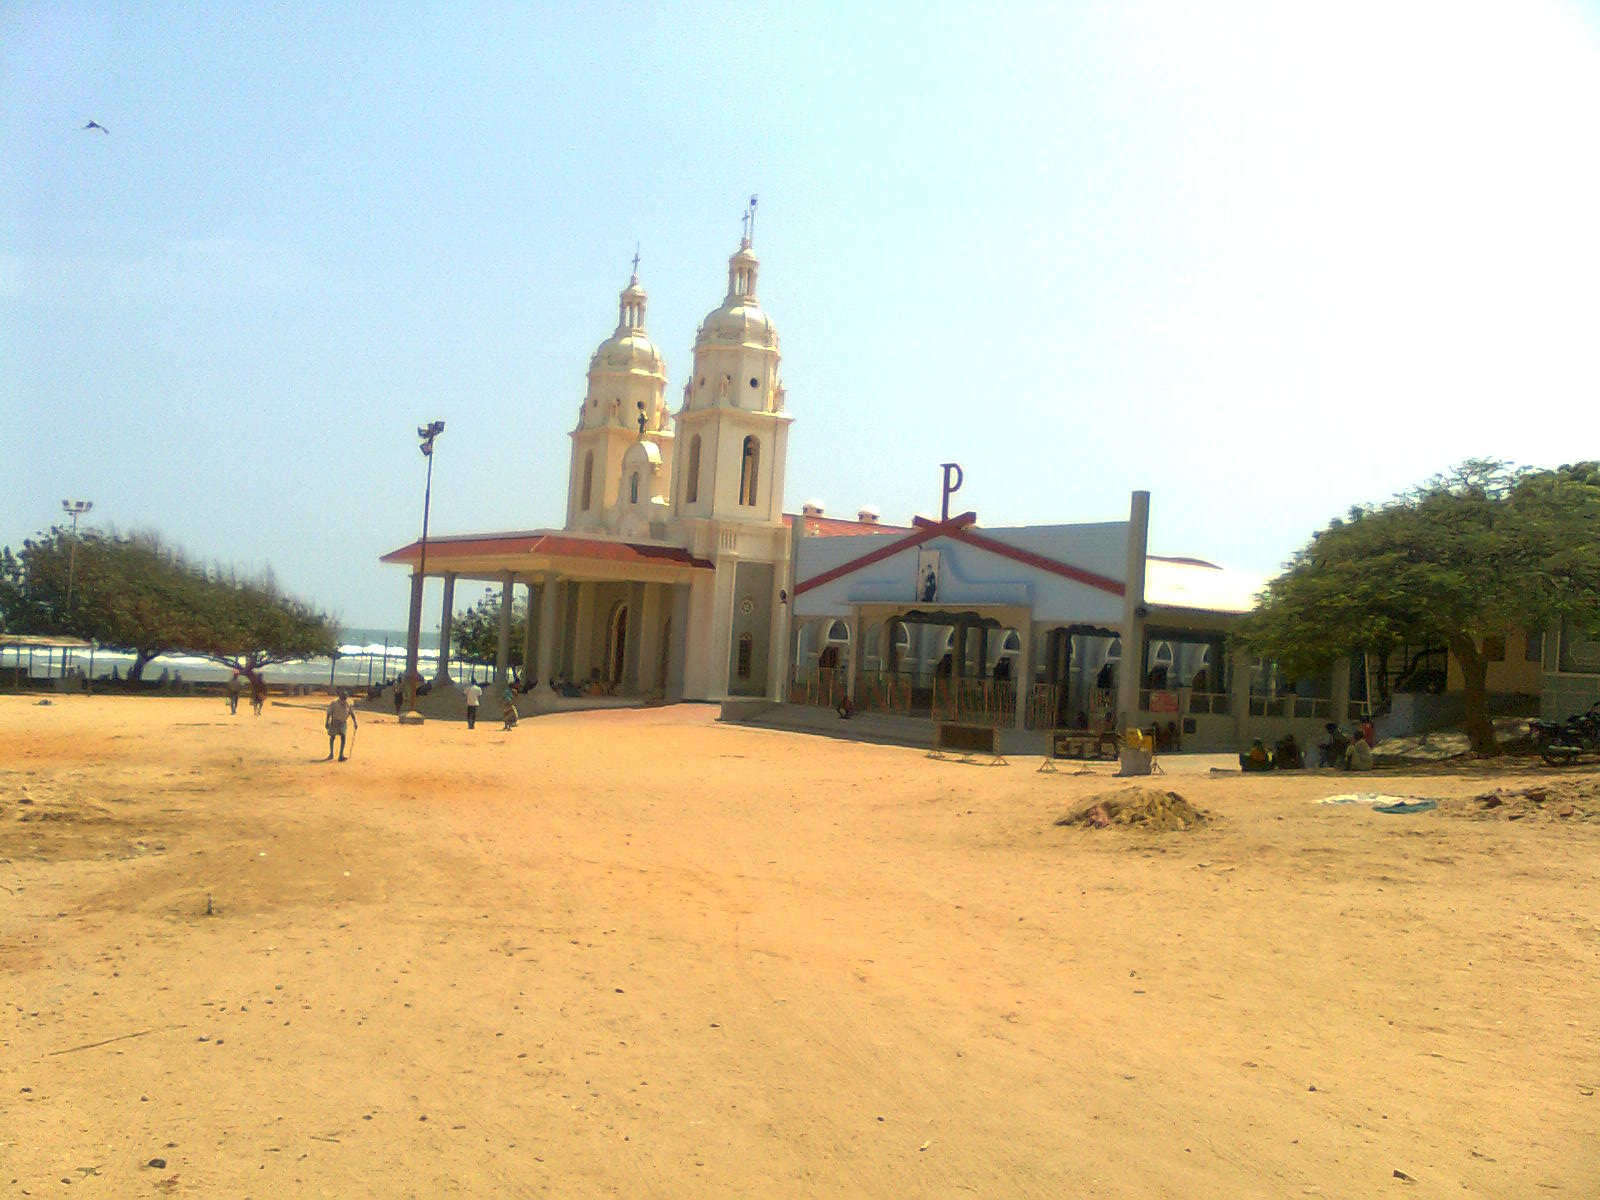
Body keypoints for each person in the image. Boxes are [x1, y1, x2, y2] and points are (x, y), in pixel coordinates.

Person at [324, 689, 357, 762]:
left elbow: (351, 713)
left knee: (343, 736)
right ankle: (331, 753)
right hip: (334, 721)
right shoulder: (334, 703)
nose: (344, 699)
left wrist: (355, 722)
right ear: (339, 697)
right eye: (342, 698)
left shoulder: (349, 703)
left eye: (345, 698)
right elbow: (329, 713)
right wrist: (327, 722)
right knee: (332, 737)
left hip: (343, 722)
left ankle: (341, 755)